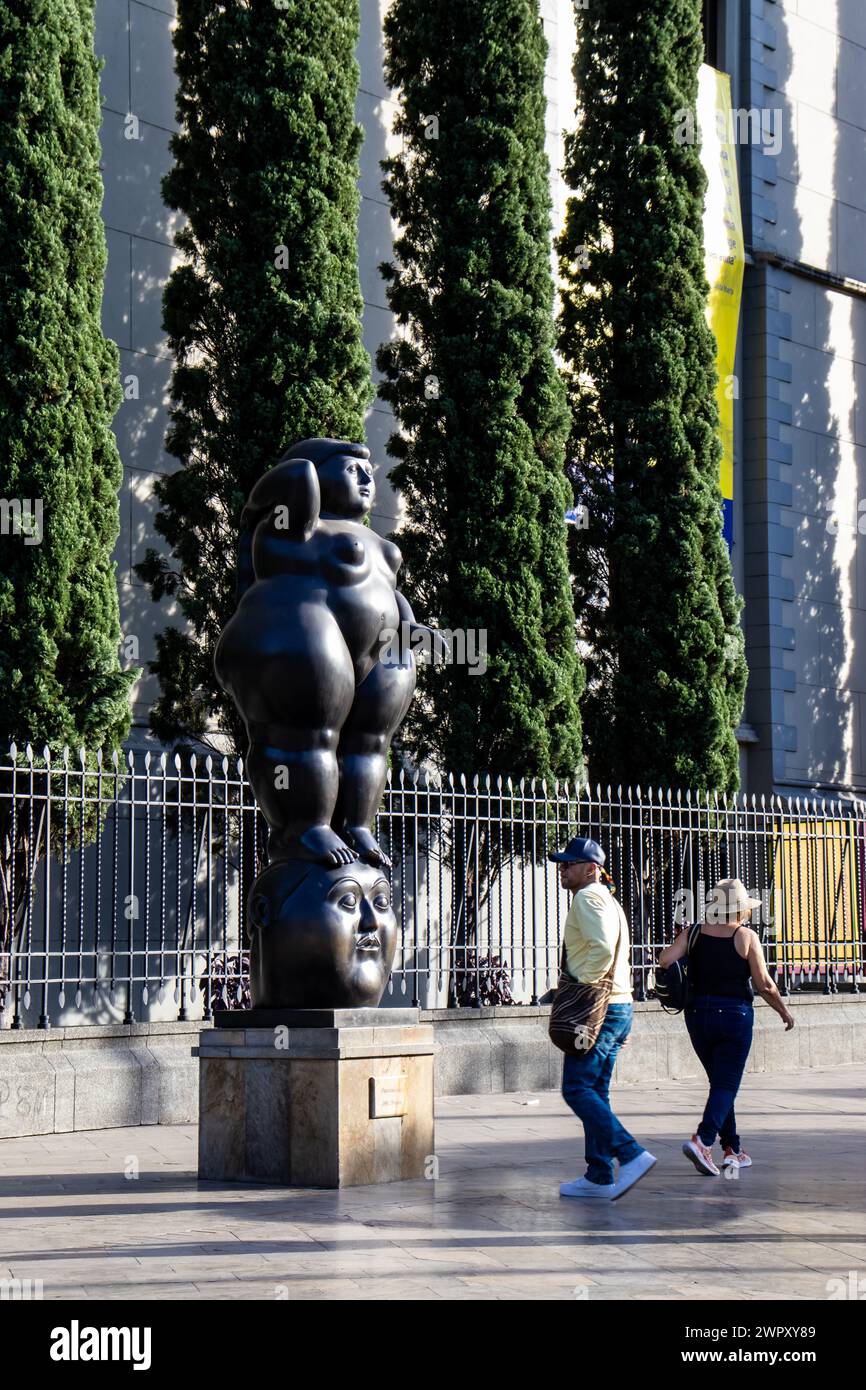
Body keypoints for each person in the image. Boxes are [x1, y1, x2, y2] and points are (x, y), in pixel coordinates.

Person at [658, 876, 795, 1176]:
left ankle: (733, 1149)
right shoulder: (746, 937)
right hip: (734, 1016)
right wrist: (784, 1012)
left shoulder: (693, 931)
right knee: (725, 1085)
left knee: (720, 1083)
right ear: (742, 910)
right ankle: (703, 1140)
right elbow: (765, 984)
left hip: (698, 1017)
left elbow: (665, 959)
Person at [549, 835, 657, 1200]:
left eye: (569, 864)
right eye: (561, 863)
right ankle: (598, 1174)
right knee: (595, 1090)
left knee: (577, 1089)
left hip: (597, 1008)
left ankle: (629, 1154)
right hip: (617, 1006)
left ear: (591, 869)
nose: (562, 869)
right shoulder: (606, 899)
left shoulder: (587, 897)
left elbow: (601, 948)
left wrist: (582, 986)